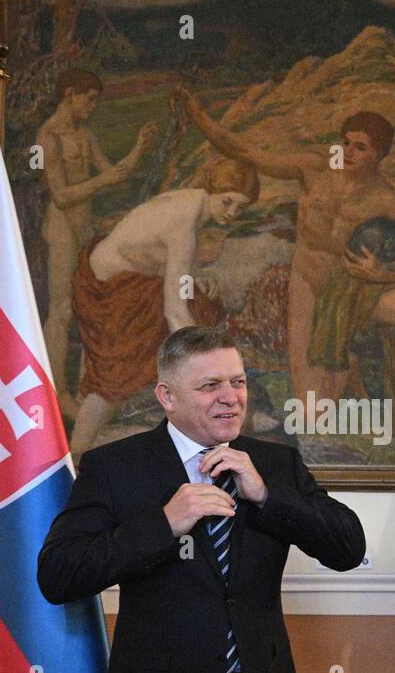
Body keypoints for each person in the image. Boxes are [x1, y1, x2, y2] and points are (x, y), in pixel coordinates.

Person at [37, 325, 366, 673]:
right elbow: (58, 574)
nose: (231, 396)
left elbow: (347, 547)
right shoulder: (116, 467)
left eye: (237, 381)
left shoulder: (275, 463)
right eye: (210, 385)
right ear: (167, 397)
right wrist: (163, 524)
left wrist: (266, 496)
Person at [174, 86, 395, 458]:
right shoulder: (313, 168)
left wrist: (379, 272)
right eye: (346, 142)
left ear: (380, 155)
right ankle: (350, 379)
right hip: (308, 283)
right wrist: (198, 116)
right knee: (314, 415)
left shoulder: (387, 199)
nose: (348, 152)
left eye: (361, 147)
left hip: (353, 285)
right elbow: (244, 152)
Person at [68, 158, 258, 456]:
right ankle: (77, 450)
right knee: (114, 377)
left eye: (240, 207)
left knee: (203, 304)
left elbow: (163, 260)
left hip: (132, 282)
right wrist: (205, 365)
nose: (232, 213)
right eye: (227, 202)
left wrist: (196, 278)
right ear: (212, 190)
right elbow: (174, 309)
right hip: (113, 291)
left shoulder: (191, 203)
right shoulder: (184, 225)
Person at [38, 67, 159, 414]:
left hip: (85, 228)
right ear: (70, 94)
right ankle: (55, 395)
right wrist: (102, 181)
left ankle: (85, 392)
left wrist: (138, 148)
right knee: (60, 311)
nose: (93, 107)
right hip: (61, 228)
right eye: (89, 100)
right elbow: (61, 196)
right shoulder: (48, 137)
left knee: (90, 310)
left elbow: (115, 175)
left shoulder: (85, 135)